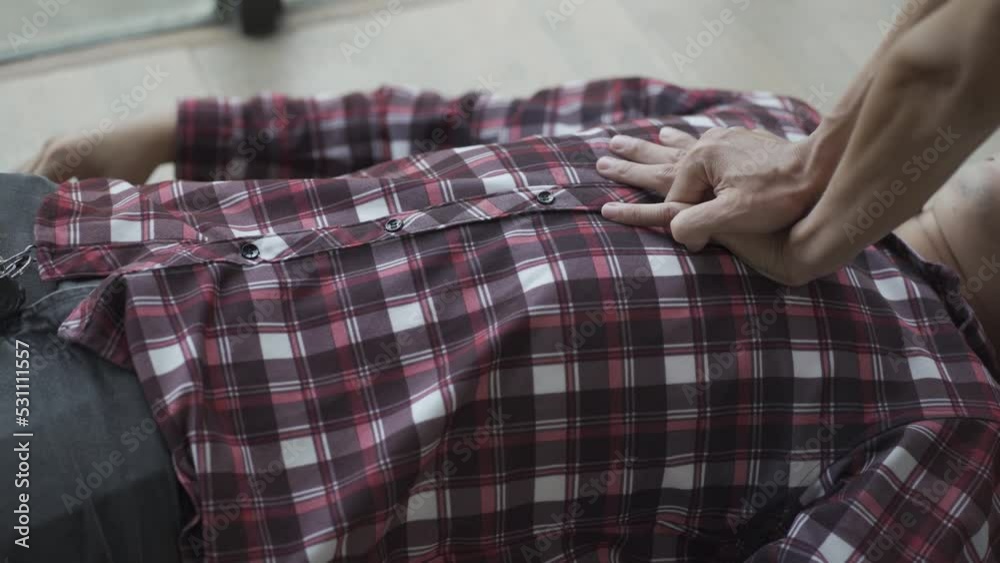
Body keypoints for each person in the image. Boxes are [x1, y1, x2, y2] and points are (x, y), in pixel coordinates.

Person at [6, 75, 999, 563]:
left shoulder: (956, 437)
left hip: (169, 454)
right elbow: (459, 119)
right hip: (97, 234)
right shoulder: (781, 124)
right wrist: (183, 129)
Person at [595, 0, 1000, 292]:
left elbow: (956, 60)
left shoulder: (938, 378)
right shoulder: (787, 119)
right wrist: (809, 168)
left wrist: (805, 237)